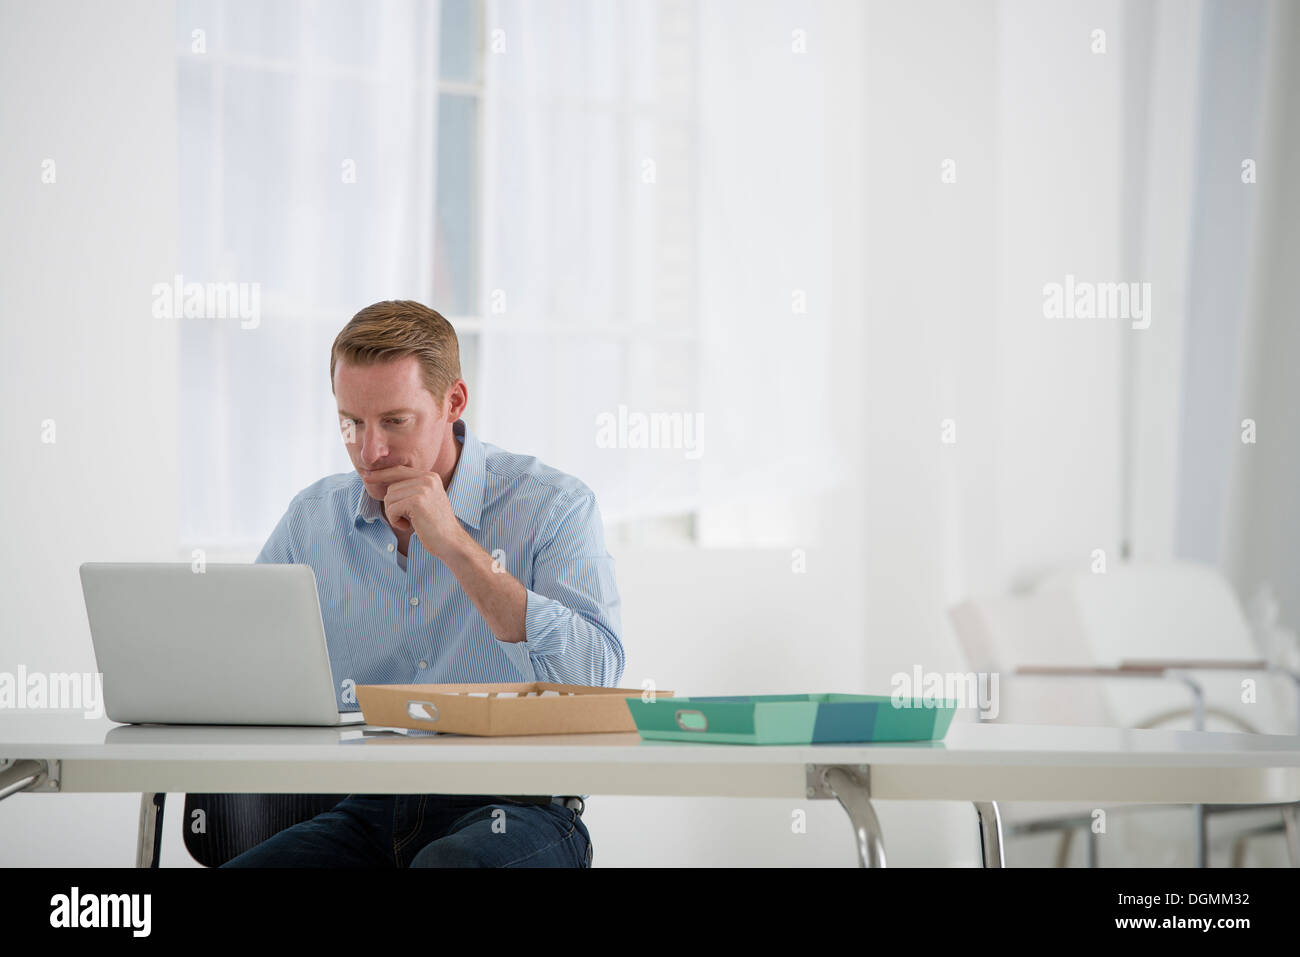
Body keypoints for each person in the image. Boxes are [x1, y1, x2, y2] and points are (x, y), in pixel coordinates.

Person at [221, 300, 624, 867]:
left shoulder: (553, 505)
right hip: (367, 809)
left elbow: (596, 678)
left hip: (517, 810)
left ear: (452, 402)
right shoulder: (313, 520)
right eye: (352, 423)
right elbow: (240, 662)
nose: (370, 451)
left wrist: (456, 543)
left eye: (394, 421)